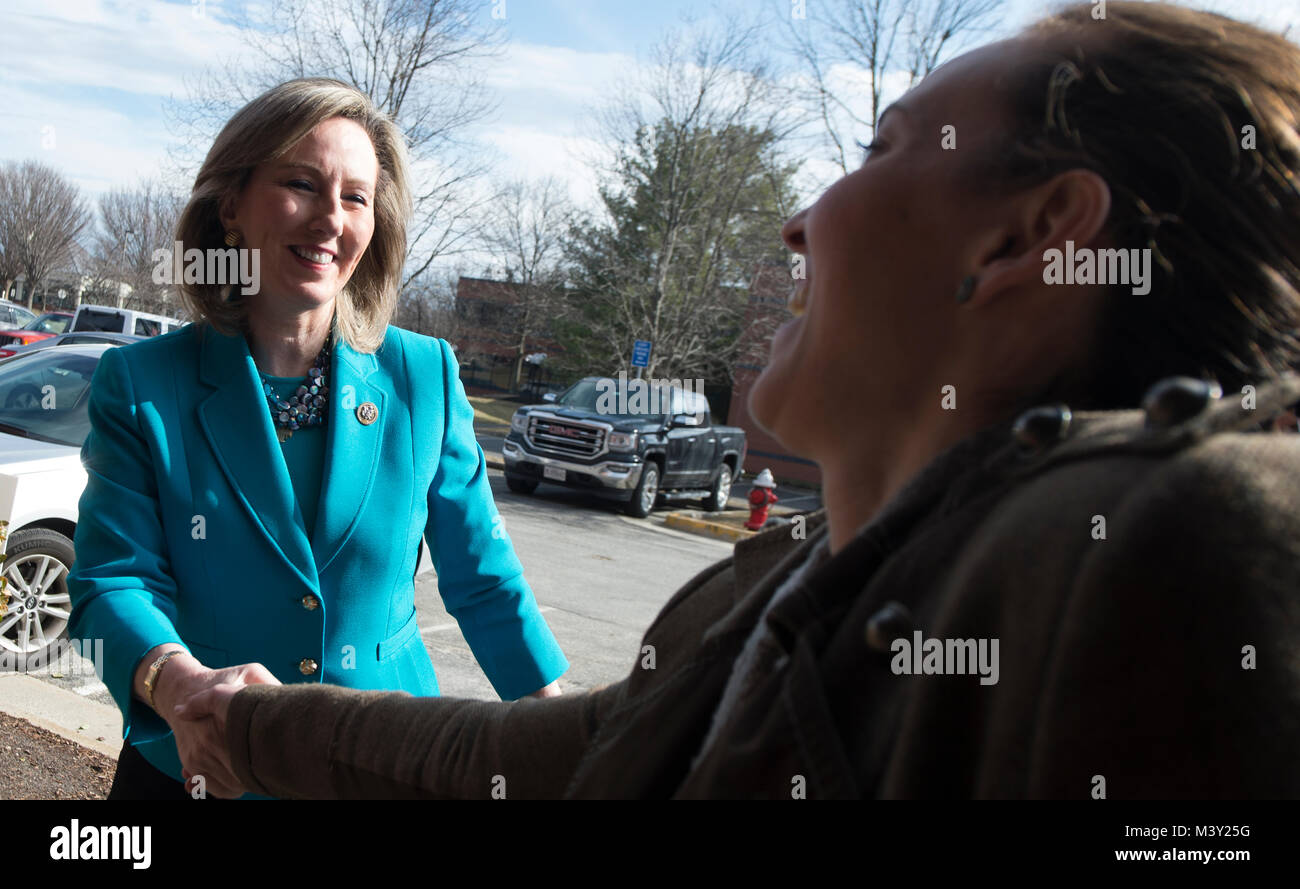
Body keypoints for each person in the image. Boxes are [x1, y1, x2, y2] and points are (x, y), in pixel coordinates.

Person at [180, 3, 1300, 798]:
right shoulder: (765, 593)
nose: (797, 223)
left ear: (1034, 237)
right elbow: (548, 762)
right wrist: (246, 719)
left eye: (880, 148)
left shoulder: (1174, 544)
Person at [67, 78, 568, 800]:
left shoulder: (423, 375)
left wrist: (571, 735)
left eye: (357, 197)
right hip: (200, 764)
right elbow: (112, 579)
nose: (331, 218)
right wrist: (178, 685)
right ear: (231, 205)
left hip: (386, 766)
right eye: (302, 184)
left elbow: (482, 580)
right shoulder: (142, 383)